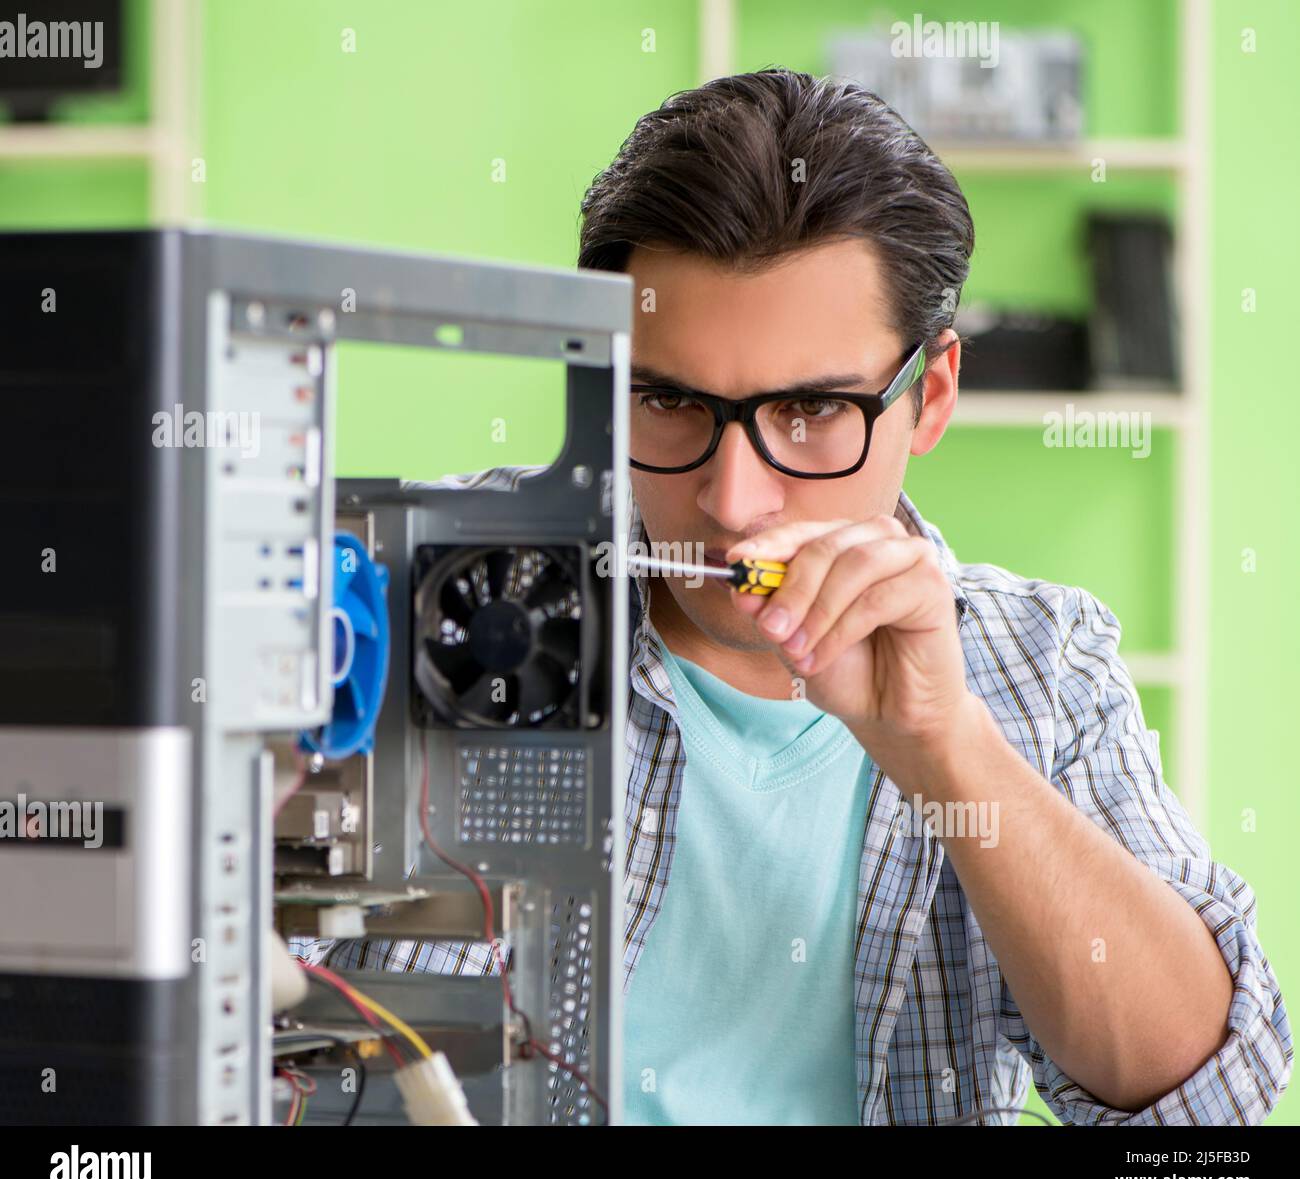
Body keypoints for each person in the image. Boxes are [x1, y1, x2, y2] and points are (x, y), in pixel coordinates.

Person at [297, 69, 1291, 1125]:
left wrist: (946, 743)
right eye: (669, 400)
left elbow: (1205, 1105)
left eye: (811, 410)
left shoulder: (1041, 662)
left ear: (931, 396)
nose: (732, 498)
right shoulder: (425, 583)